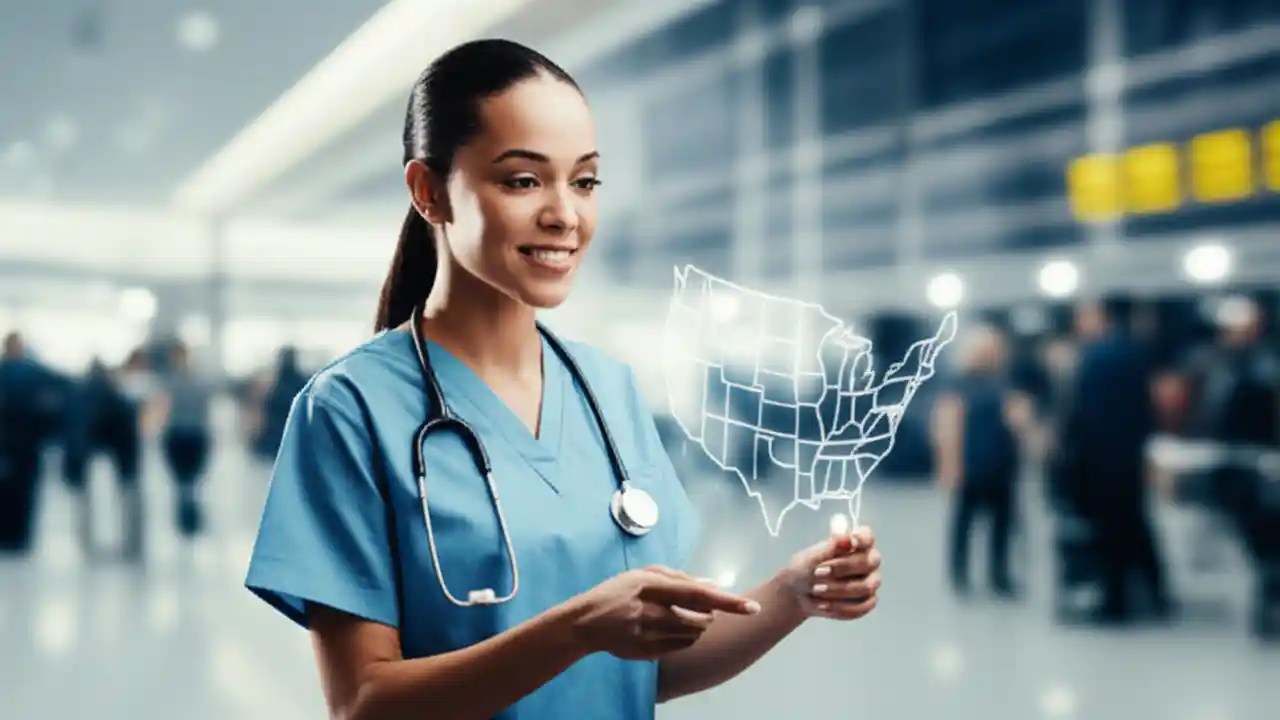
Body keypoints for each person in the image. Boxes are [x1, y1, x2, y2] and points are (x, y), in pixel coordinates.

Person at [244, 39, 883, 720]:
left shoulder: (609, 392)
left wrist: (791, 595)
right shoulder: (350, 410)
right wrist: (577, 630)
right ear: (429, 192)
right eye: (523, 181)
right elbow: (362, 703)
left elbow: (648, 667)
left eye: (584, 182)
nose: (565, 215)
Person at [1062, 299, 1173, 623]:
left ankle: (1116, 600)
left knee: (1111, 530)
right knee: (1135, 524)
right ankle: (1156, 594)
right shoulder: (1131, 351)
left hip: (1103, 458)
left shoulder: (1099, 356)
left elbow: (1086, 413)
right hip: (1128, 454)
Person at [933, 324, 1030, 598]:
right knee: (965, 524)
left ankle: (999, 575)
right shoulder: (959, 386)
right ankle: (960, 575)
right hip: (971, 464)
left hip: (1001, 465)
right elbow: (948, 426)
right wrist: (949, 464)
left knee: (1001, 525)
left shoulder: (1004, 384)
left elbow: (1018, 421)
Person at [63, 357, 146, 560]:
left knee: (83, 496)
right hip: (119, 446)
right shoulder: (117, 396)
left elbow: (74, 430)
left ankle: (86, 544)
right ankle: (132, 543)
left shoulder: (80, 396)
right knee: (128, 490)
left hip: (84, 447)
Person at [0, 332, 69, 553]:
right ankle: (20, 539)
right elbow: (63, 387)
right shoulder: (35, 373)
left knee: (6, 491)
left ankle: (6, 536)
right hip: (29, 443)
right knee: (26, 492)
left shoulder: (5, 372)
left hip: (9, 441)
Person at [157, 341, 214, 536]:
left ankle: (187, 521)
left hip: (184, 435)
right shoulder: (195, 381)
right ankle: (189, 521)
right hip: (188, 435)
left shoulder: (170, 382)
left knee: (185, 483)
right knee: (187, 483)